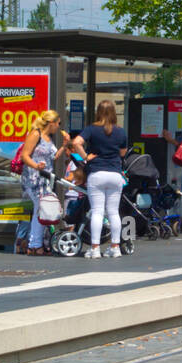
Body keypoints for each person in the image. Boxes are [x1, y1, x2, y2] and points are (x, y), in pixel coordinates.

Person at [72, 100, 129, 258]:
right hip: (115, 174)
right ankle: (115, 247)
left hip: (96, 173)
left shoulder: (92, 129)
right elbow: (123, 153)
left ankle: (95, 248)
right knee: (113, 211)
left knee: (97, 211)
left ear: (98, 111)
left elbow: (76, 142)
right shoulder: (120, 131)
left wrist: (86, 157)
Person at [17, 110, 69, 255]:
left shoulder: (48, 137)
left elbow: (53, 157)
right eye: (58, 123)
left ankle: (35, 244)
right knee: (41, 208)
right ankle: (35, 245)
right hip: (34, 178)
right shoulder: (36, 134)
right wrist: (36, 166)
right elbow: (24, 155)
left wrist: (64, 146)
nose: (59, 126)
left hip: (45, 178)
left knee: (40, 210)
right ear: (51, 123)